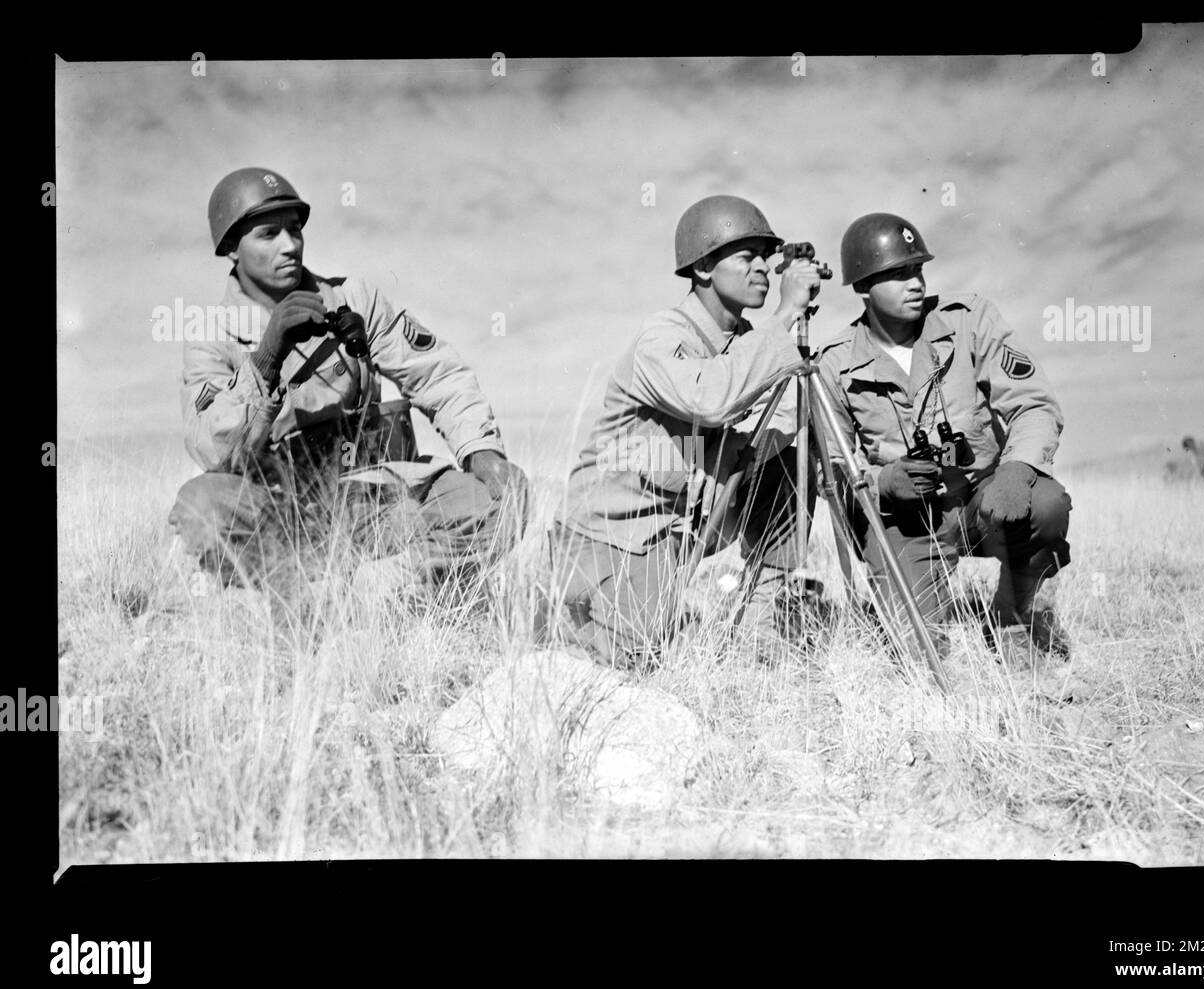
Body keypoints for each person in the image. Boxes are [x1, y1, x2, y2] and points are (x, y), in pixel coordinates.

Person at [168, 167, 527, 595]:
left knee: (502, 499)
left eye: (295, 230)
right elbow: (214, 450)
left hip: (372, 502)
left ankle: (402, 596)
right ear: (231, 249)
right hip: (283, 514)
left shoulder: (353, 301)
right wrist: (266, 357)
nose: (290, 246)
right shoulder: (212, 336)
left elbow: (438, 374)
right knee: (201, 506)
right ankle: (298, 596)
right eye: (268, 234)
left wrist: (481, 452)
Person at [550, 195, 823, 666]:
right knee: (634, 651)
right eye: (746, 256)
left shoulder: (746, 343)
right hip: (611, 535)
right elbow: (709, 397)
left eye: (766, 256)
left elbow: (773, 422)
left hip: (684, 525)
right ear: (702, 269)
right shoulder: (664, 335)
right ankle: (565, 613)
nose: (762, 267)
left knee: (791, 465)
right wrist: (782, 319)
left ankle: (760, 616)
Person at [816, 213, 1072, 665]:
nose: (914, 282)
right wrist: (881, 481)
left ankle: (1012, 618)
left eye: (917, 268)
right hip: (908, 520)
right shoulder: (835, 364)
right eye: (896, 274)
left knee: (1046, 504)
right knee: (918, 655)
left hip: (983, 500)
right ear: (862, 288)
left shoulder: (970, 321)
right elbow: (831, 468)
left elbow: (1033, 404)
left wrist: (1017, 469)